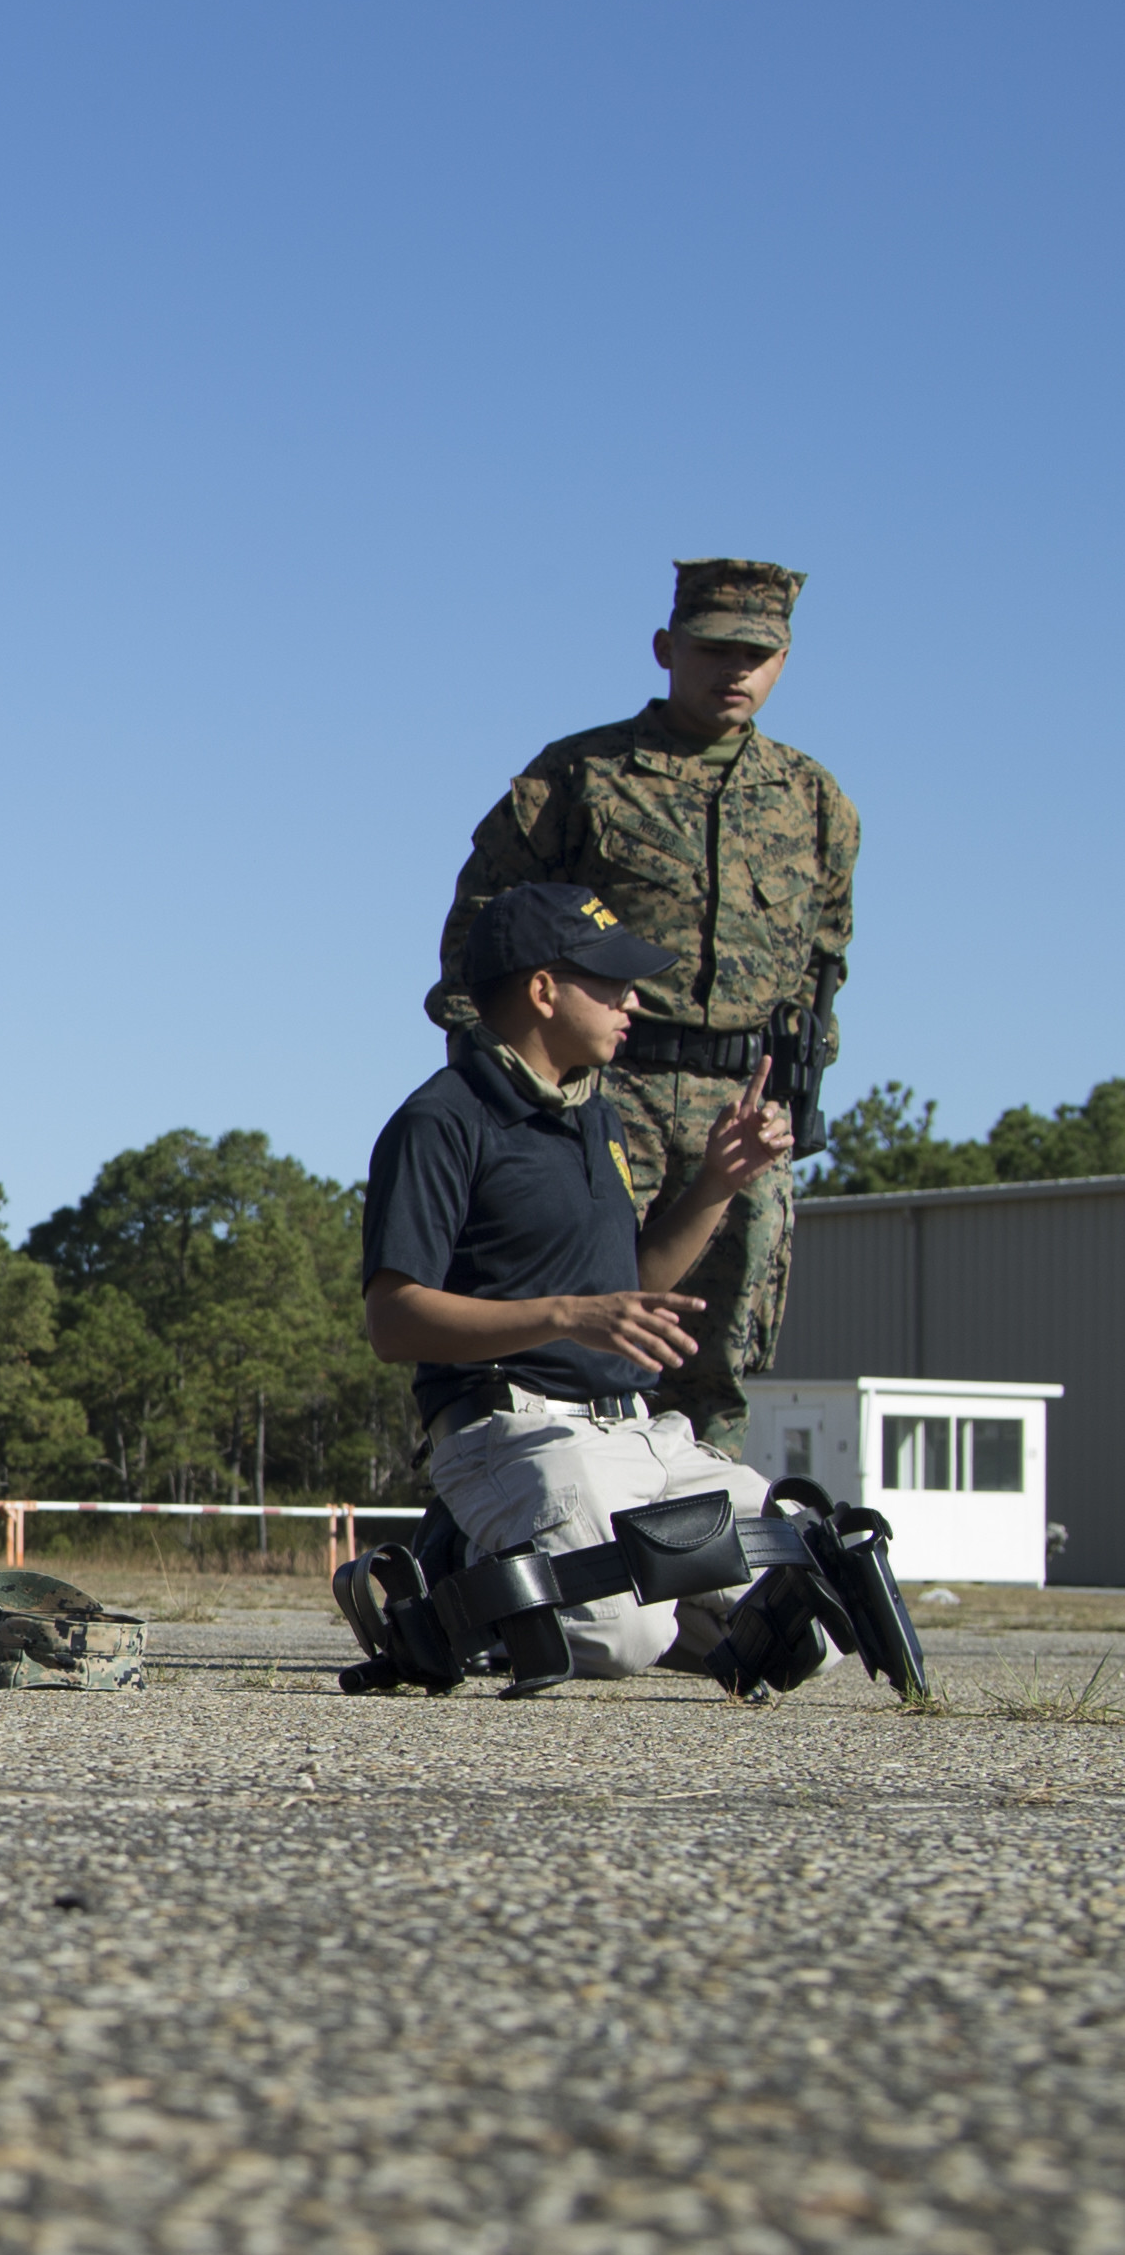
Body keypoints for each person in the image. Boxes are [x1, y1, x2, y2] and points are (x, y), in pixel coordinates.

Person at [424, 558, 854, 1453]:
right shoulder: (580, 777)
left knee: (718, 1357)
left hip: (741, 1105)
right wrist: (499, 1089)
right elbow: (482, 932)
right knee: (570, 1343)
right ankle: (534, 1551)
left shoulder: (815, 803)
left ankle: (701, 1567)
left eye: (759, 653)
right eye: (714, 648)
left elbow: (824, 962)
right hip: (603, 1098)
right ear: (666, 648)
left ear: (784, 662)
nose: (735, 670)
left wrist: (797, 1095)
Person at [363, 883, 798, 1681]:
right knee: (613, 1642)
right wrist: (563, 1316)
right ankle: (462, 1555)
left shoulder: (596, 1117)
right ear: (542, 989)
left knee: (810, 1620)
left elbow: (623, 1289)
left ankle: (636, 1593)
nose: (632, 1001)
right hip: (513, 1434)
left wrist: (715, 1185)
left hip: (637, 1436)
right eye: (610, 982)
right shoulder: (442, 1120)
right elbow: (393, 1322)